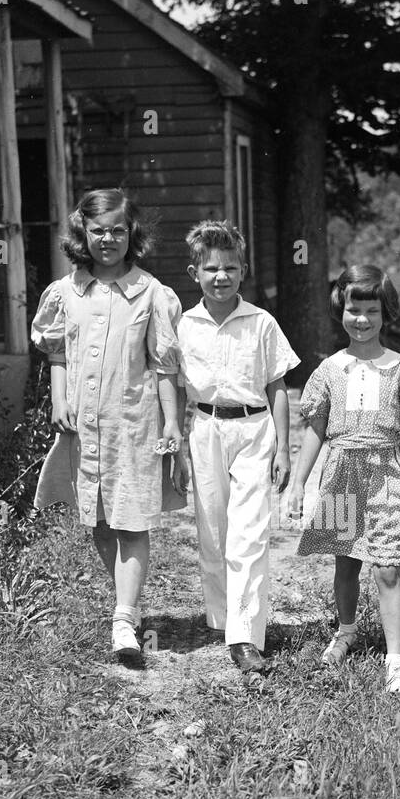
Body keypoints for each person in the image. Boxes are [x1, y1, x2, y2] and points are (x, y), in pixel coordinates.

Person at [32, 188, 186, 667]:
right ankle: (128, 604)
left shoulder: (151, 293)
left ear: (131, 234)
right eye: (99, 231)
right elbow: (57, 352)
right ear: (84, 234)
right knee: (98, 521)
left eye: (118, 230)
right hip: (85, 427)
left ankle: (123, 617)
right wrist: (59, 400)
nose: (108, 240)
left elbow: (164, 367)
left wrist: (173, 424)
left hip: (134, 426)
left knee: (131, 520)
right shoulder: (66, 292)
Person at [288, 265, 400, 693]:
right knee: (346, 561)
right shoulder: (330, 370)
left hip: (387, 474)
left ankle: (395, 661)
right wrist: (298, 483)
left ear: (386, 313)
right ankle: (347, 631)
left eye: (372, 310)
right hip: (340, 473)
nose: (362, 319)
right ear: (342, 311)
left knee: (387, 567)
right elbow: (315, 428)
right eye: (354, 309)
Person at [177, 220, 297, 674]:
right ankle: (221, 618)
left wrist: (283, 449)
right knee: (213, 531)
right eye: (211, 269)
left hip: (253, 429)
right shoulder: (184, 326)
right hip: (205, 428)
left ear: (243, 271)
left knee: (248, 534)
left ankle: (245, 636)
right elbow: (170, 383)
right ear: (195, 274)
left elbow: (278, 386)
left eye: (230, 267)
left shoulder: (261, 323)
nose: (221, 276)